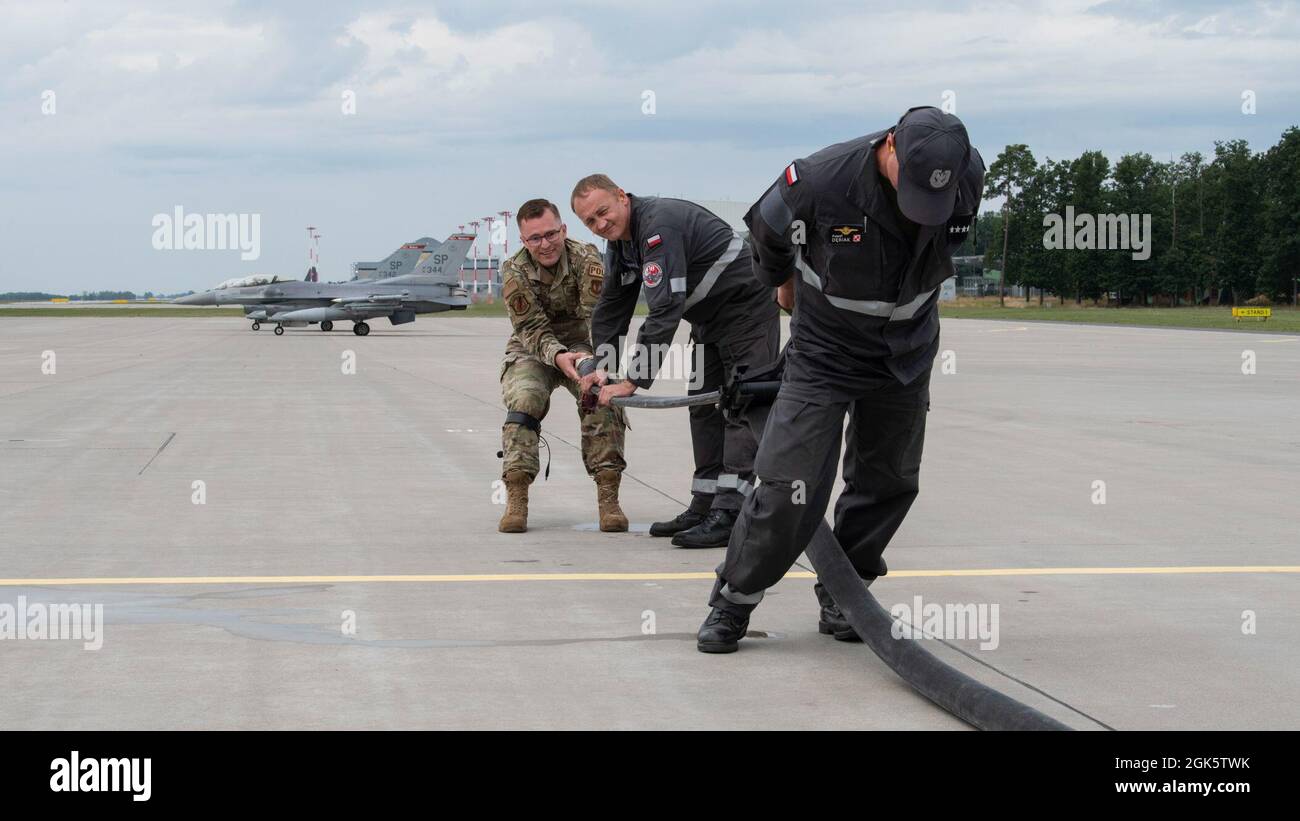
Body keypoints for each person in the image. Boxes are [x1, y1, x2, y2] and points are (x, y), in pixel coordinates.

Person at [696, 107, 986, 652]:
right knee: (789, 485)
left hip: (907, 352)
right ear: (891, 147)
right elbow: (765, 228)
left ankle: (845, 594)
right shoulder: (819, 180)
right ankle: (734, 600)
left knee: (889, 479)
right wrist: (781, 281)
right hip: (825, 351)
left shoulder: (967, 175)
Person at [570, 175, 779, 548]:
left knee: (739, 407)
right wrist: (603, 366)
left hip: (746, 313)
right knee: (702, 407)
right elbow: (612, 306)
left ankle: (730, 513)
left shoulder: (657, 227)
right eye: (590, 222)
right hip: (708, 321)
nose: (600, 224)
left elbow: (664, 307)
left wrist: (633, 379)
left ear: (622, 197)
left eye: (603, 212)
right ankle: (704, 505)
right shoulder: (620, 243)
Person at [497, 198, 628, 533]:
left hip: (584, 345)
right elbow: (530, 328)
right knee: (524, 401)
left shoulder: (587, 258)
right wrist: (556, 355)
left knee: (602, 397)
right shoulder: (513, 270)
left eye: (551, 234)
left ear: (563, 229)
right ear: (524, 242)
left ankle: (609, 496)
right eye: (535, 238)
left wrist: (590, 361)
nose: (545, 244)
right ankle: (516, 495)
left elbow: (598, 318)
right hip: (533, 349)